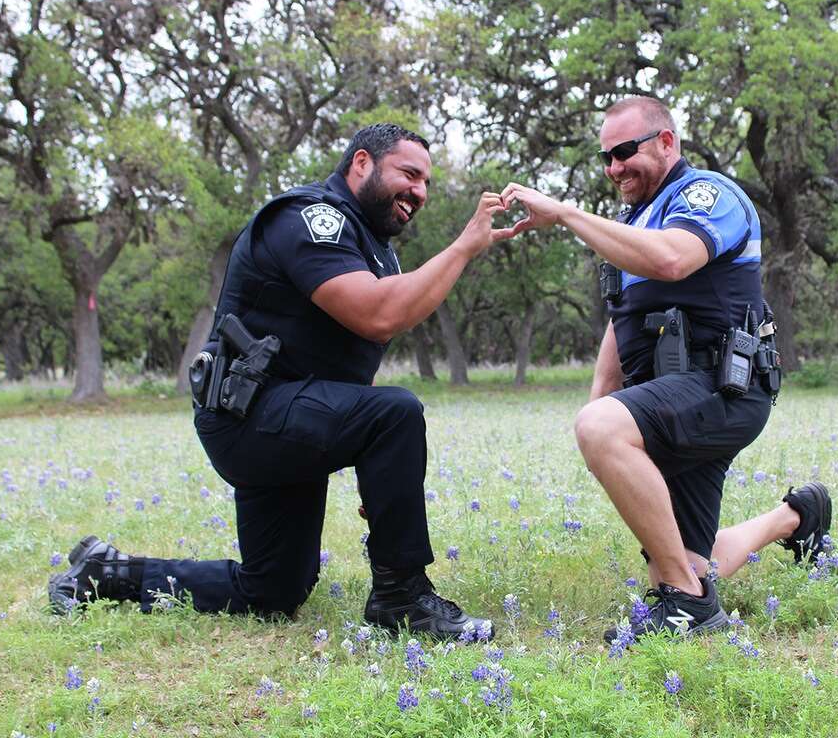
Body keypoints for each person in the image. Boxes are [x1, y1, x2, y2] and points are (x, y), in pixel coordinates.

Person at [50, 123, 513, 638]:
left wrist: (385, 479)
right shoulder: (310, 220)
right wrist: (464, 247)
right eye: (409, 174)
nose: (420, 192)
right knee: (395, 413)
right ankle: (401, 597)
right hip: (250, 416)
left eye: (426, 181)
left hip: (286, 415)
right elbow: (380, 315)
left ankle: (106, 571)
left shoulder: (374, 246)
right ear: (362, 163)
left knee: (273, 591)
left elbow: (358, 348)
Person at [501, 97, 832, 641]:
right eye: (606, 157)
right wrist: (599, 398)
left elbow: (672, 260)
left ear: (666, 143)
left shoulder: (708, 196)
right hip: (671, 396)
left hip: (721, 388)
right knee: (685, 561)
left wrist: (564, 212)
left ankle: (689, 610)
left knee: (670, 566)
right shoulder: (634, 221)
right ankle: (794, 517)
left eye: (625, 152)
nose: (614, 168)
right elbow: (621, 319)